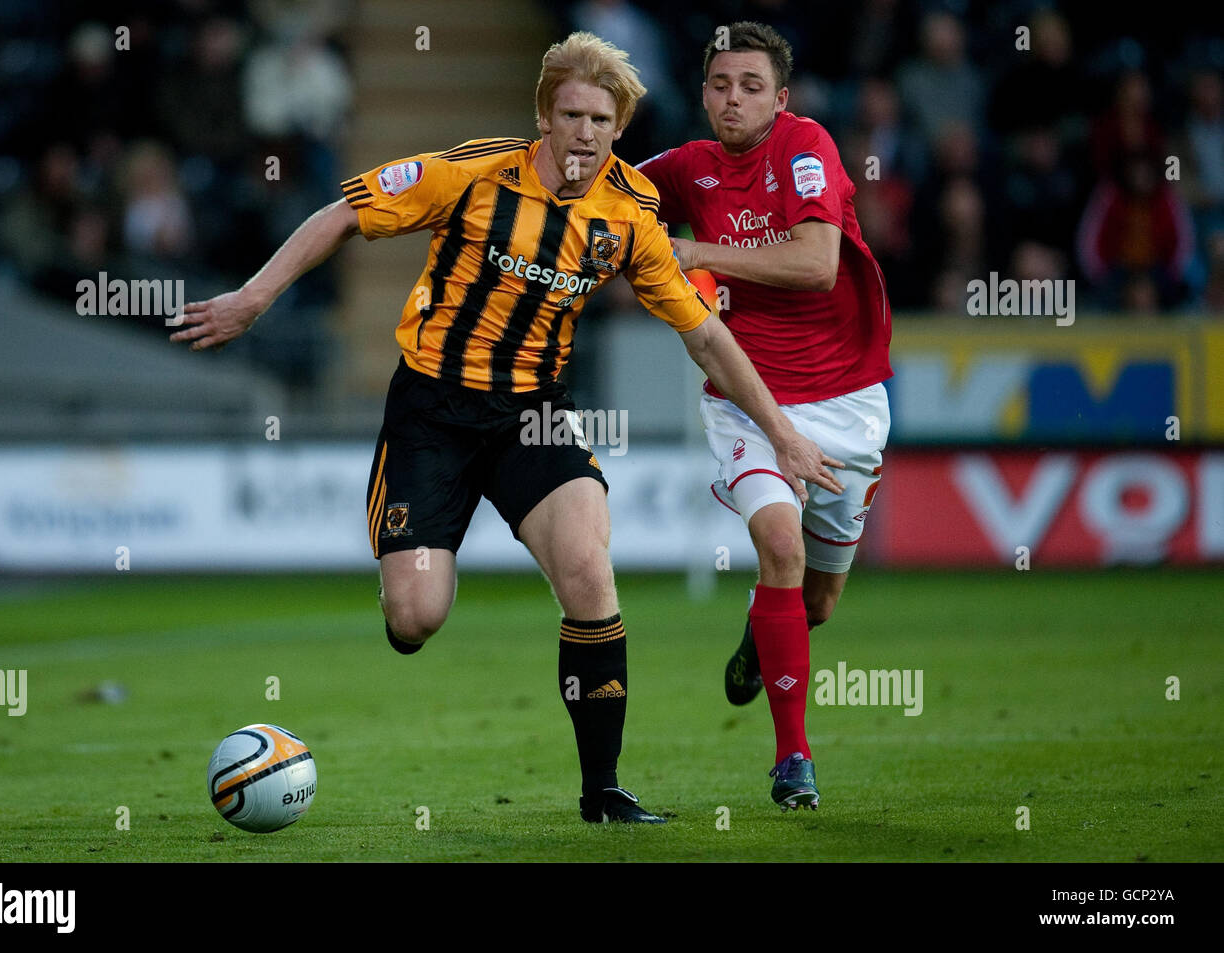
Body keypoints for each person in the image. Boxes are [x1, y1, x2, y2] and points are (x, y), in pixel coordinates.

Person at [171, 32, 840, 823]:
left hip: (533, 414)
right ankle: (408, 597)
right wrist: (255, 296)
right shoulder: (474, 172)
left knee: (590, 574)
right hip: (432, 409)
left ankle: (603, 792)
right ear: (545, 116)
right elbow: (342, 214)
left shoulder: (629, 213)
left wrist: (784, 435)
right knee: (416, 616)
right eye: (571, 114)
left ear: (619, 126)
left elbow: (703, 334)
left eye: (601, 117)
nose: (585, 132)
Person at [638, 21, 893, 811]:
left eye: (750, 86)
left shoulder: (805, 146)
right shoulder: (688, 168)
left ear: (779, 100)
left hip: (847, 402)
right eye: (719, 85)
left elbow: (818, 266)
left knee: (815, 603)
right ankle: (794, 759)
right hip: (749, 399)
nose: (732, 99)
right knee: (777, 542)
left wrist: (699, 254)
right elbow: (609, 196)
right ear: (703, 91)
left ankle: (764, 631)